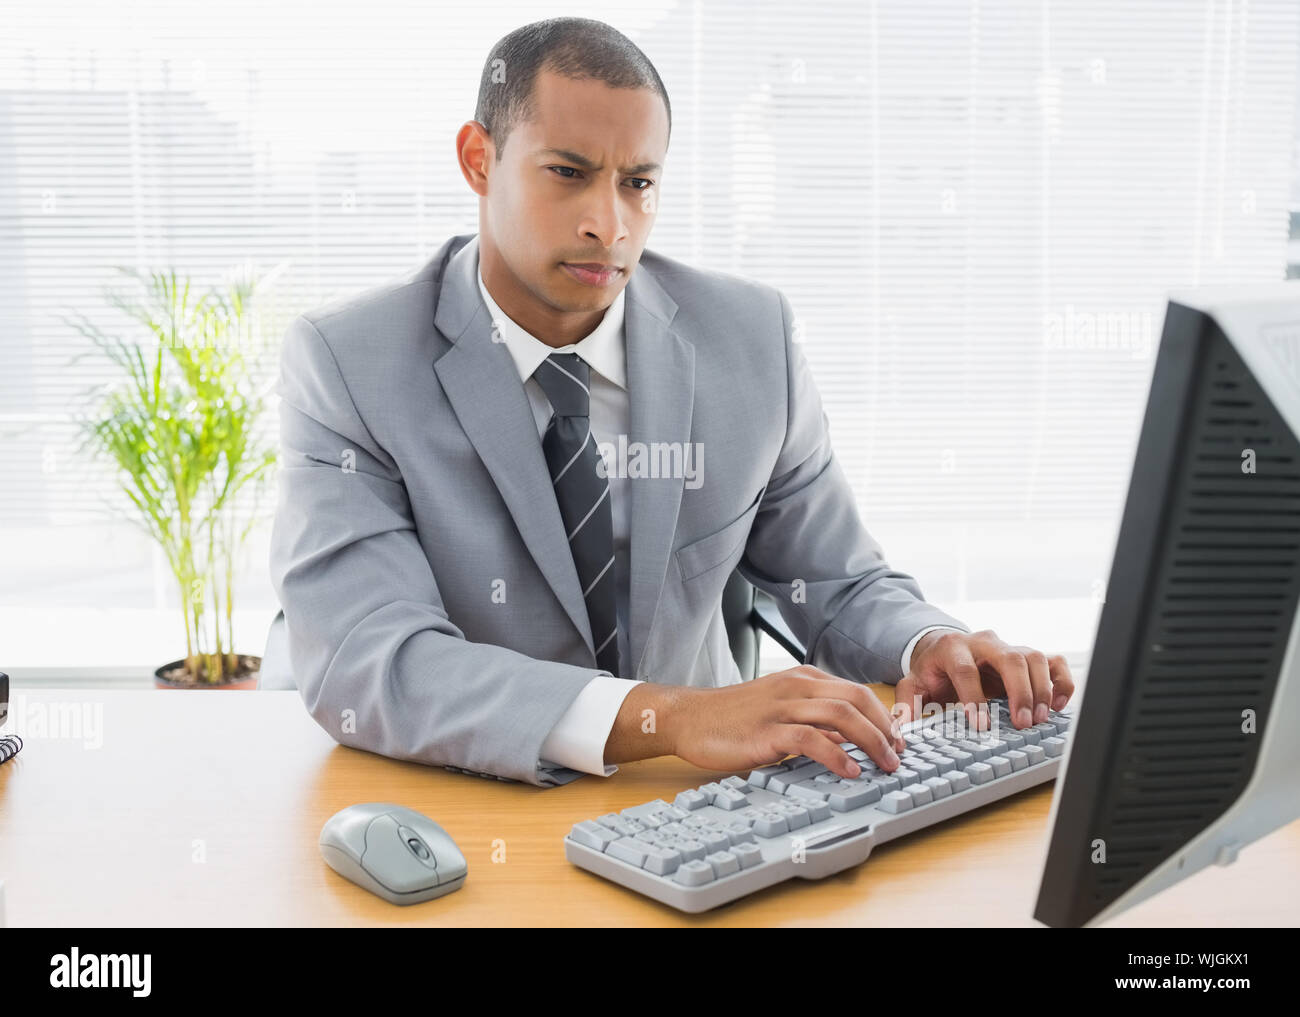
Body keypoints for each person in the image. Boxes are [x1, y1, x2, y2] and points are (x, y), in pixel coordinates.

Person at [261, 16, 1075, 787]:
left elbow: (835, 582)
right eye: (569, 173)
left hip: (710, 803)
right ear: (480, 159)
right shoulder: (349, 364)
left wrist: (929, 645)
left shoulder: (751, 339)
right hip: (478, 801)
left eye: (638, 182)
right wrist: (671, 717)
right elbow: (373, 659)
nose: (609, 225)